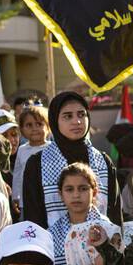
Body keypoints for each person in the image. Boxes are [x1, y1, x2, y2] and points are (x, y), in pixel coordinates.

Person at [22, 91, 121, 230]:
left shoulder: (103, 161)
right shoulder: (37, 163)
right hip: (52, 247)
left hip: (102, 246)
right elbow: (33, 217)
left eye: (82, 114)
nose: (77, 121)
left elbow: (115, 212)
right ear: (55, 121)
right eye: (68, 116)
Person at [48, 162, 112, 265]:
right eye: (69, 189)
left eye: (83, 189)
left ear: (94, 192)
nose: (76, 195)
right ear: (61, 194)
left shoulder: (107, 228)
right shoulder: (51, 234)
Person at [12, 103, 50, 202]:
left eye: (39, 124)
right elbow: (17, 174)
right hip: (28, 199)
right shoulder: (22, 150)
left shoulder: (53, 148)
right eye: (29, 125)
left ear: (48, 127)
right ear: (22, 130)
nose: (34, 128)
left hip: (49, 199)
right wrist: (16, 196)